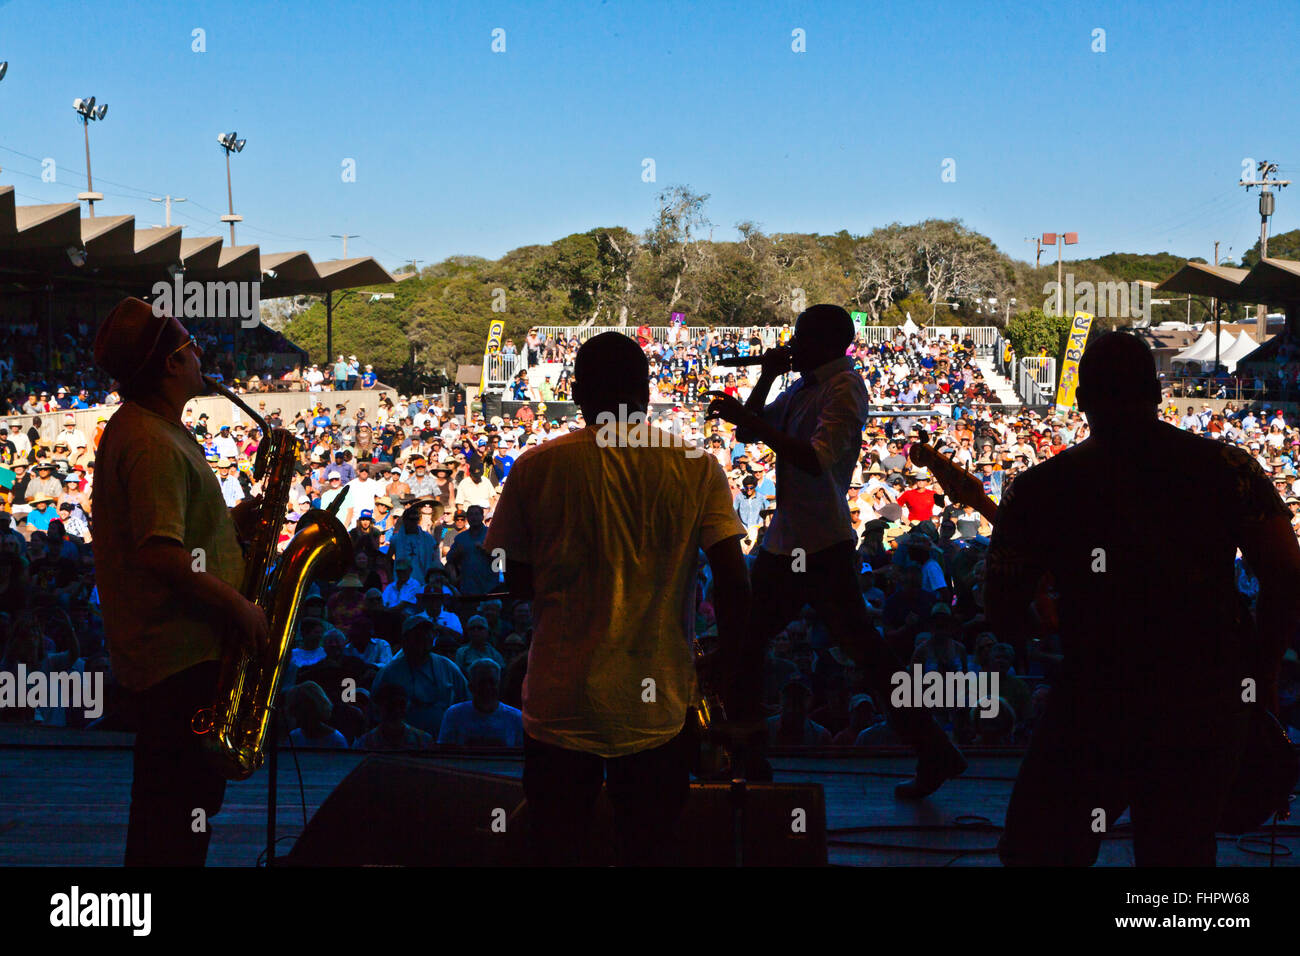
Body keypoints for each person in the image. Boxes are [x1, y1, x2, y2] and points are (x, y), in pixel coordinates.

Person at [988, 332, 1300, 866]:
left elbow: (1002, 610)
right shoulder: (1230, 470)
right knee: (1177, 851)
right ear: (1157, 393)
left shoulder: (1039, 489)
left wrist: (1045, 609)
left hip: (1096, 693)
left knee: (1041, 849)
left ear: (1081, 398)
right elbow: (1286, 576)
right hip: (1205, 693)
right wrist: (1263, 672)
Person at [485, 331, 755, 866]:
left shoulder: (537, 465)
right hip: (658, 705)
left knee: (556, 847)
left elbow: (508, 574)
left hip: (561, 700)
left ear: (579, 391)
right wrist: (732, 656)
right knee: (649, 847)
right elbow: (731, 573)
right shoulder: (695, 464)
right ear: (646, 389)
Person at [704, 303, 965, 798]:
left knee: (831, 651)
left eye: (800, 337)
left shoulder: (845, 387)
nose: (792, 345)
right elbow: (747, 431)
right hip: (793, 538)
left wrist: (754, 419)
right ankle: (933, 752)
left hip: (819, 543)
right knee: (763, 646)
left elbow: (814, 460)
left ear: (824, 342)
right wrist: (763, 382)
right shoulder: (805, 385)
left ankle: (749, 760)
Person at [90, 296, 269, 866]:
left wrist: (231, 524)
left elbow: (176, 536)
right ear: (170, 364)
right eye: (190, 348)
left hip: (177, 657)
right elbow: (161, 556)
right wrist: (240, 608)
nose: (200, 358)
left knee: (177, 814)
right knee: (172, 820)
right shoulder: (150, 442)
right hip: (179, 663)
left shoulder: (152, 430)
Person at [437, 659, 523, 746]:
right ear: (471, 687)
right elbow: (445, 751)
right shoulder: (453, 715)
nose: (487, 687)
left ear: (499, 685)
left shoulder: (516, 717)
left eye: (491, 682)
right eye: (482, 682)